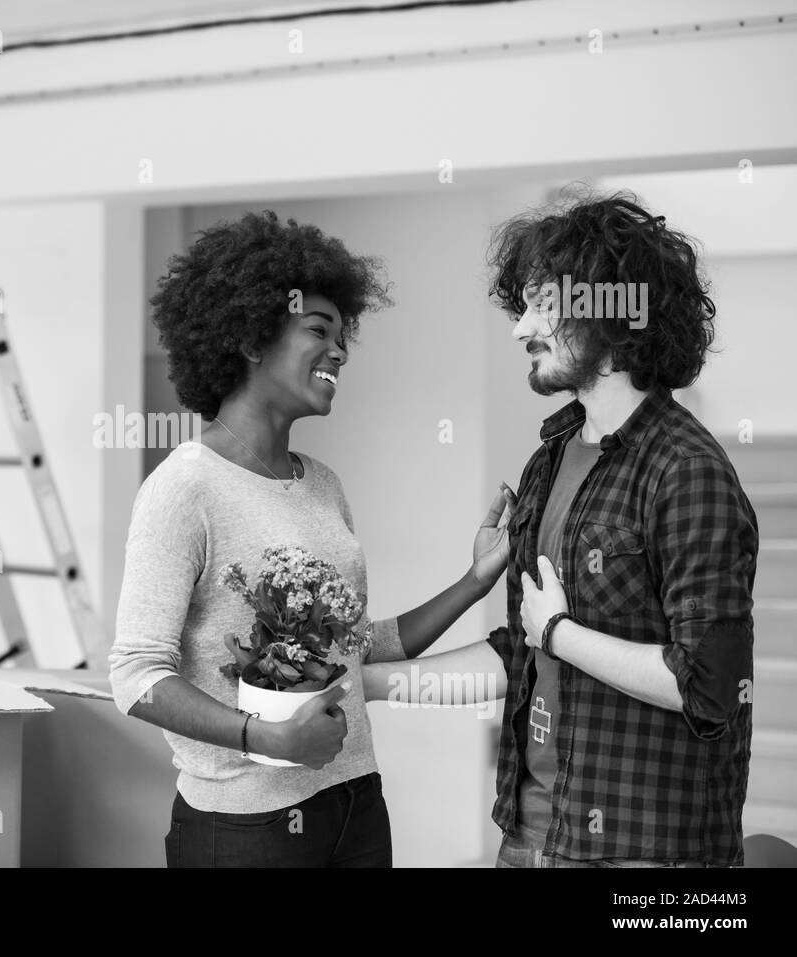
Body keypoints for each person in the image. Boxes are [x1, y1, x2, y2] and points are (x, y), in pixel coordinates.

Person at [108, 210, 513, 868]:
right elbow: (135, 674)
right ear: (250, 337)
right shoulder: (183, 489)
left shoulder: (322, 484)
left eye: (341, 333)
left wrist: (474, 582)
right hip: (244, 828)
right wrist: (263, 734)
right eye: (318, 330)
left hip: (354, 799)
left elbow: (353, 645)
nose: (341, 351)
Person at [364, 192, 757, 867]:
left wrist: (560, 633)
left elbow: (708, 685)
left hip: (645, 856)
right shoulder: (549, 460)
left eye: (543, 304)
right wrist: (367, 683)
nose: (521, 329)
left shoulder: (688, 473)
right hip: (530, 840)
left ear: (612, 309)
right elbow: (523, 654)